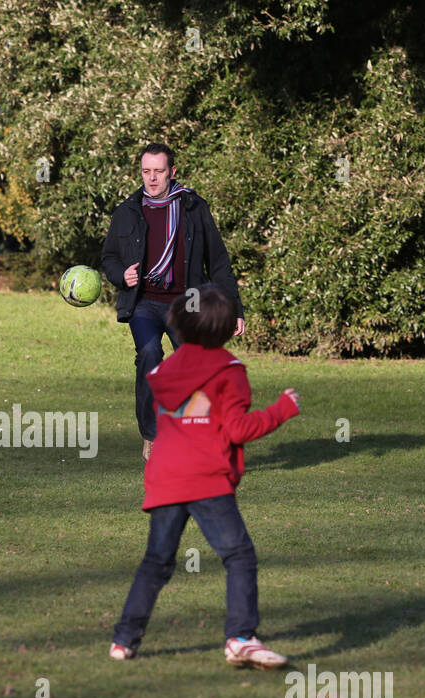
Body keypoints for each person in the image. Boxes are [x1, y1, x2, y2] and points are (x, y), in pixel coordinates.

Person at [107, 284, 300, 668]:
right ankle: (241, 638)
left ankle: (124, 640)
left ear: (177, 323)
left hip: (164, 478)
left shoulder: (163, 370)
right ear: (228, 329)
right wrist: (282, 409)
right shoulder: (230, 372)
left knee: (156, 562)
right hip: (206, 478)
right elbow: (238, 430)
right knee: (239, 555)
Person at [100, 143, 248, 461]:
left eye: (159, 171)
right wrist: (120, 275)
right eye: (146, 172)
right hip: (144, 303)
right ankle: (152, 435)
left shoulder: (194, 208)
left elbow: (218, 261)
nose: (152, 179)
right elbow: (109, 257)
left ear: (172, 172)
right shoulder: (127, 211)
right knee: (150, 354)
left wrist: (234, 307)